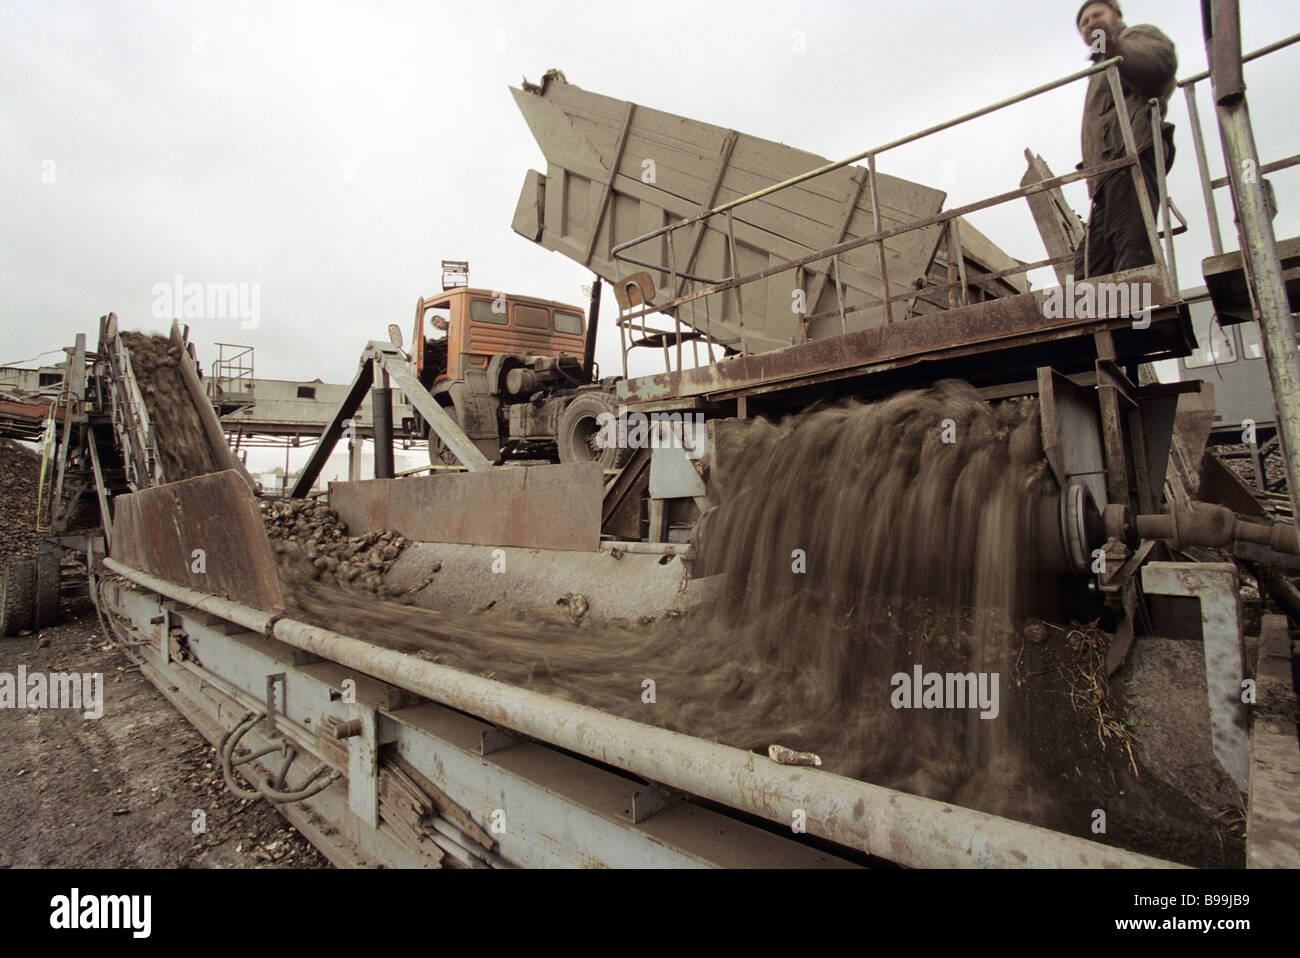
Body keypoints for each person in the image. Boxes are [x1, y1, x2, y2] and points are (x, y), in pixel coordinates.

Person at [1073, 1, 1177, 280]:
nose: (1090, 23)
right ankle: (1108, 323)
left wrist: (1111, 46)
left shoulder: (1137, 39)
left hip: (1130, 162)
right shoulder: (1099, 69)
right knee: (1086, 272)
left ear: (1117, 16)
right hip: (1104, 179)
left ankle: (1143, 321)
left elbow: (1155, 68)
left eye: (1097, 15)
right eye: (1084, 22)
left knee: (1132, 256)